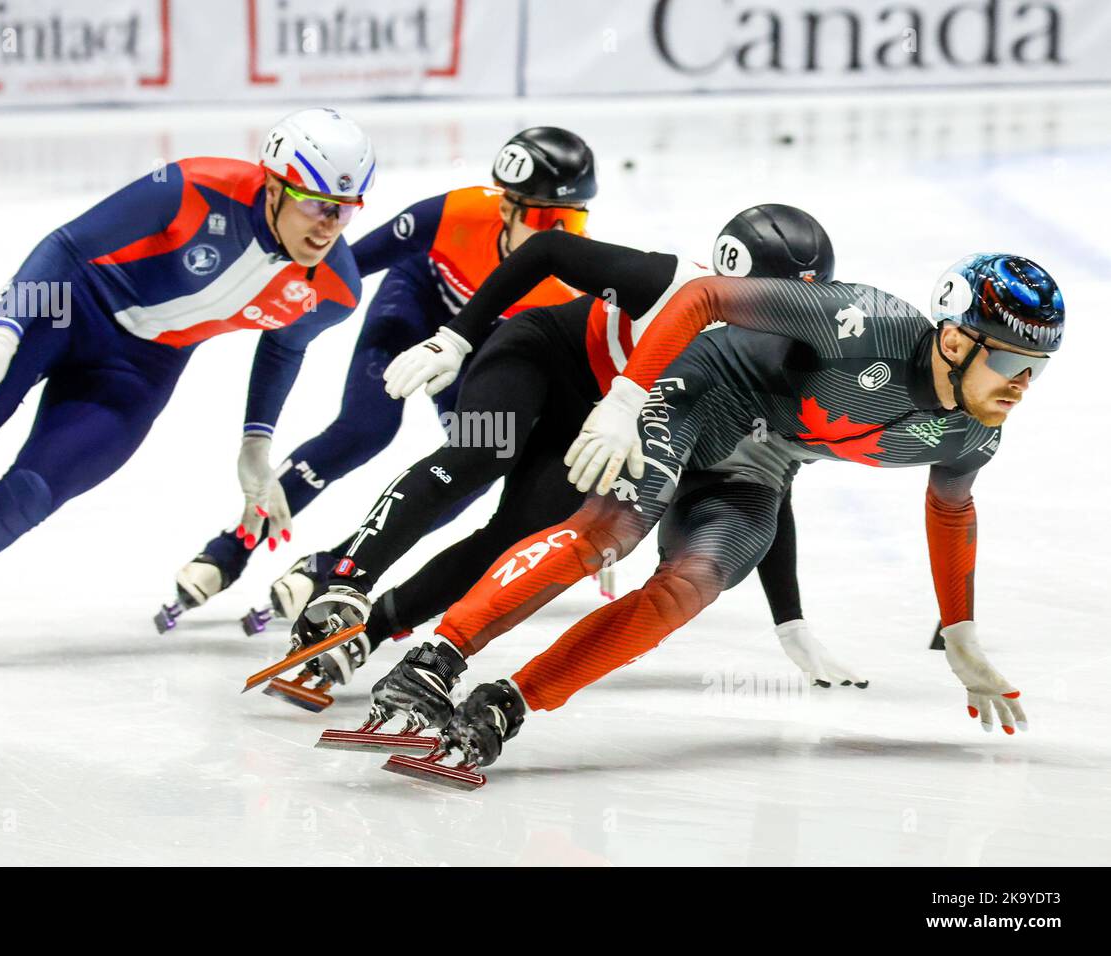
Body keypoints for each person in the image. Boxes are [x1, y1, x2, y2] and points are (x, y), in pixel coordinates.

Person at [370, 253, 1064, 775]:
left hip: (758, 462)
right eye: (1009, 358)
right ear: (953, 340)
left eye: (1039, 366)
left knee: (690, 585)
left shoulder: (976, 433)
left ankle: (509, 702)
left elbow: (952, 509)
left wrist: (961, 631)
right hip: (697, 396)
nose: (1023, 384)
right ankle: (437, 657)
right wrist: (624, 398)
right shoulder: (863, 320)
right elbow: (704, 296)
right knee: (612, 532)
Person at [0, 107, 374, 660]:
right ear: (275, 185)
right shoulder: (193, 186)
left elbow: (283, 344)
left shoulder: (333, 290)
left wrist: (256, 445)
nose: (328, 226)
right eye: (318, 205)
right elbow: (68, 246)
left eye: (344, 212)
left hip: (136, 371)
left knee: (19, 506)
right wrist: (5, 331)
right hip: (62, 309)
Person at [294, 205, 863, 698]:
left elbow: (764, 481)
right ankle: (347, 580)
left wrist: (790, 623)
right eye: (772, 305)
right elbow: (547, 248)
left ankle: (370, 631)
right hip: (539, 355)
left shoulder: (775, 366)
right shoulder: (665, 282)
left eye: (800, 311)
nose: (784, 325)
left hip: (594, 429)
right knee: (483, 452)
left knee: (519, 536)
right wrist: (458, 336)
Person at [158, 128, 597, 631]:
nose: (560, 233)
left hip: (483, 354)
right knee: (365, 428)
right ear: (505, 208)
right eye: (544, 218)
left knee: (472, 468)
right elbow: (344, 264)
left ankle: (334, 565)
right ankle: (232, 548)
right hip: (412, 310)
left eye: (575, 217)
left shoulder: (574, 285)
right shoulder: (454, 212)